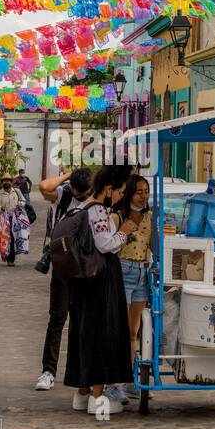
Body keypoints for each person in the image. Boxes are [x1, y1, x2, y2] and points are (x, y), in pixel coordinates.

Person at [65, 165, 136, 415]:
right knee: (101, 334)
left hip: (85, 281)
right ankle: (98, 397)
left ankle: (82, 393)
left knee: (85, 332)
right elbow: (105, 244)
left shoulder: (80, 207)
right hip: (101, 280)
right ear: (109, 189)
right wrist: (124, 233)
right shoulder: (98, 211)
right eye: (120, 192)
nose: (119, 197)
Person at [34, 167, 94, 391]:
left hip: (88, 267)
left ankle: (82, 373)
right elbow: (44, 187)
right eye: (79, 192)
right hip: (64, 265)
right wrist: (68, 176)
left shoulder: (95, 200)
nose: (82, 196)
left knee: (84, 321)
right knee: (57, 318)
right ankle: (48, 371)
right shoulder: (66, 195)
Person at [112, 174, 152, 400]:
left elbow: (153, 245)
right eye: (139, 191)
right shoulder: (118, 216)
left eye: (146, 191)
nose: (143, 195)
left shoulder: (150, 216)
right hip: (123, 270)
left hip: (142, 273)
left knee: (132, 332)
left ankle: (129, 379)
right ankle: (114, 383)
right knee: (118, 330)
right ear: (130, 194)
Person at [0, 175, 30, 260]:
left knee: (13, 238)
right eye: (4, 181)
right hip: (5, 220)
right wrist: (0, 208)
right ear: (2, 183)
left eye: (8, 181)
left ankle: (11, 258)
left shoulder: (17, 191)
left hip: (16, 219)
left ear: (11, 182)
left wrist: (20, 204)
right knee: (6, 238)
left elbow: (23, 201)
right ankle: (5, 255)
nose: (7, 182)